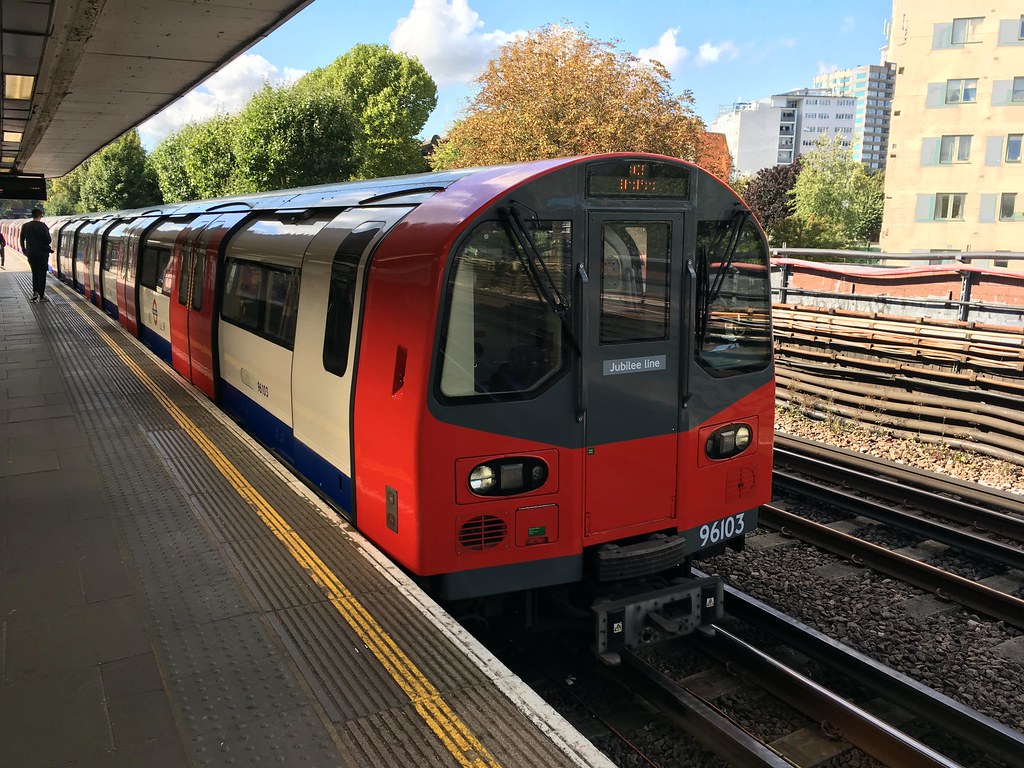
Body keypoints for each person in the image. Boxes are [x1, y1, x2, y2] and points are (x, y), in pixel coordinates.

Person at [20, 208, 52, 302]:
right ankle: (41, 296)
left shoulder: (25, 226)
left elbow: (21, 239)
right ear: (40, 215)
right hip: (42, 254)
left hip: (31, 254)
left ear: (32, 215)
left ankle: (35, 293)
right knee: (42, 274)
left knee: (35, 273)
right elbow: (48, 240)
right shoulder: (43, 227)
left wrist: (24, 250)